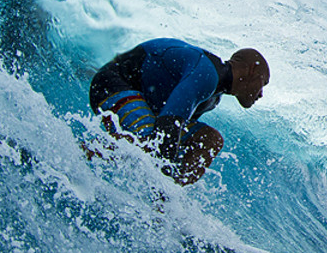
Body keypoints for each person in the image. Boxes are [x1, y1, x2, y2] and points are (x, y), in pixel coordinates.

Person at [87, 38, 269, 185]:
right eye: (263, 83)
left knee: (210, 140)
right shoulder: (207, 73)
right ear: (252, 69)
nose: (261, 94)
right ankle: (83, 155)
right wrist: (161, 187)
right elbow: (168, 125)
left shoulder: (214, 98)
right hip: (112, 83)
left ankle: (173, 197)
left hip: (143, 99)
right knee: (151, 141)